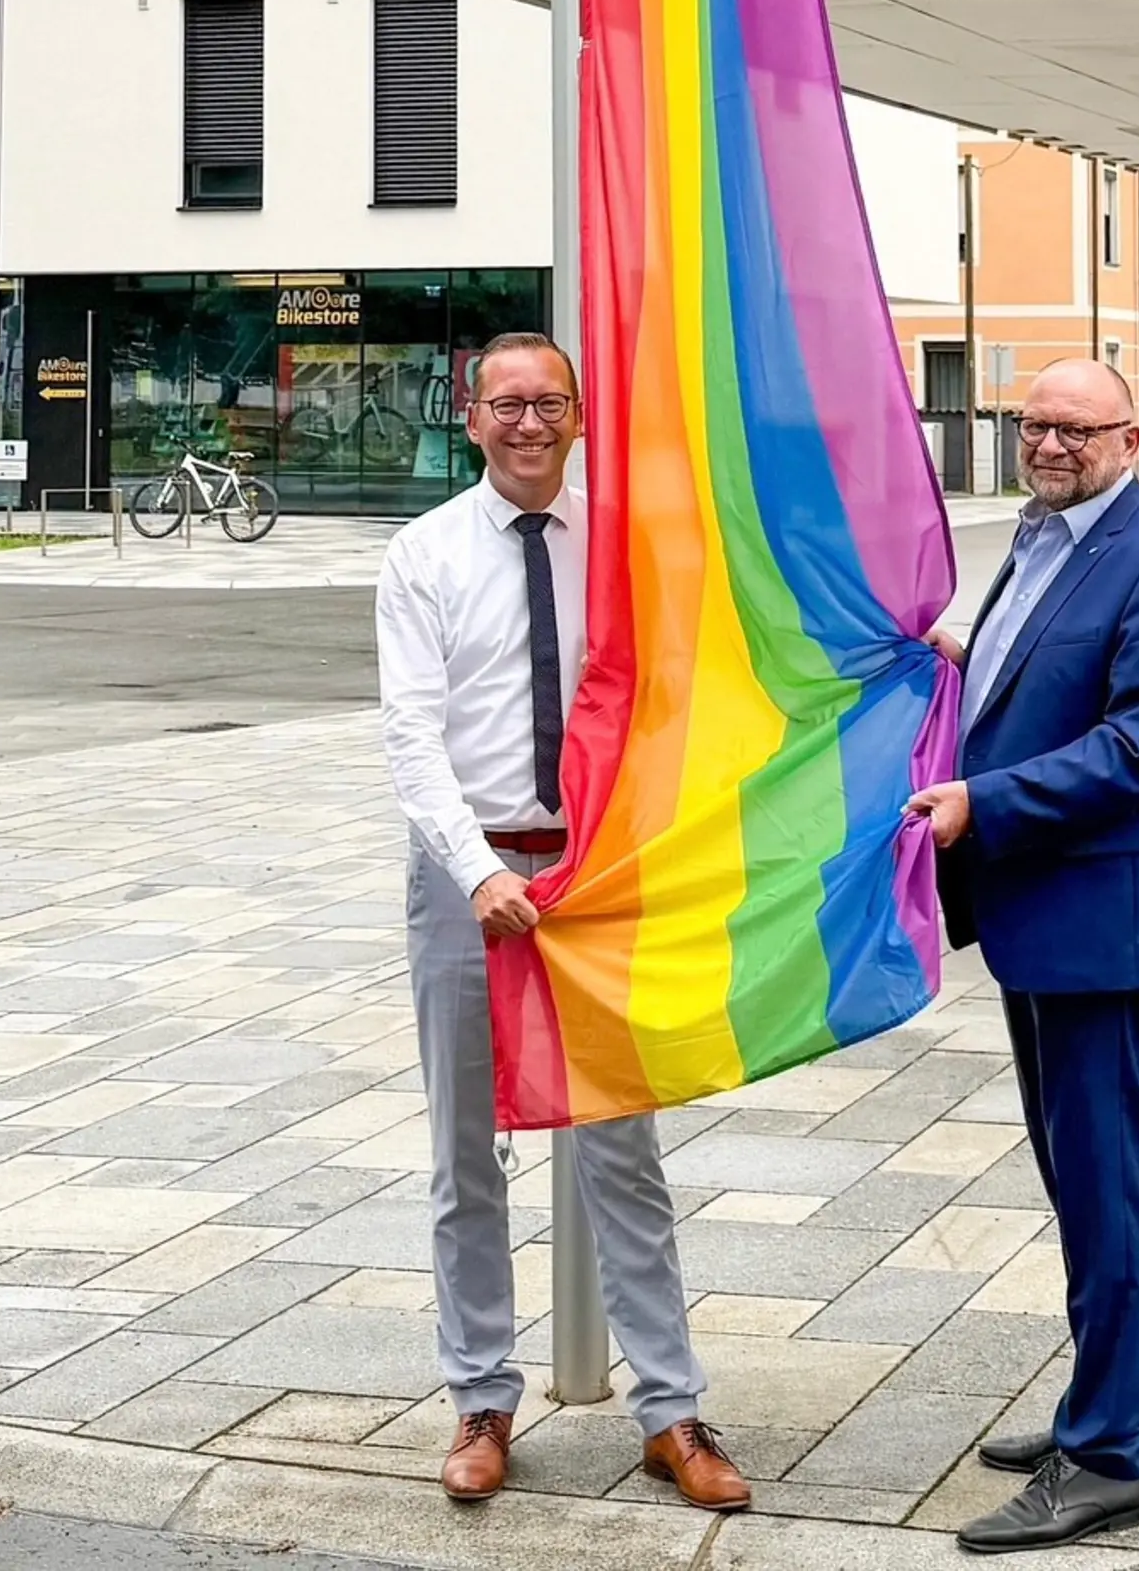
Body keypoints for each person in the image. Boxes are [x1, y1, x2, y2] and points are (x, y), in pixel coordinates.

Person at [375, 332, 750, 1513]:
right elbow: (410, 734)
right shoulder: (423, 554)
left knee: (620, 1153)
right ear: (470, 416)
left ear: (581, 416)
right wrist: (479, 868)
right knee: (462, 1152)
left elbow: (699, 677)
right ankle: (480, 1395)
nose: (531, 422)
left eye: (552, 401)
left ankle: (669, 1408)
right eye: (509, 403)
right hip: (467, 879)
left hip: (593, 886)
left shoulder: (622, 549)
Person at [907, 358, 1139, 1556]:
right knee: (1075, 1169)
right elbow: (1033, 676)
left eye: (1072, 427)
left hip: (1099, 915)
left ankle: (1098, 1460)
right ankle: (1129, 1412)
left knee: (1100, 1177)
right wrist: (953, 652)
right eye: (1031, 422)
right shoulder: (1043, 539)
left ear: (1128, 436)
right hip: (1042, 908)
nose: (1045, 442)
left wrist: (981, 800)